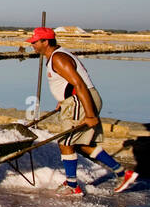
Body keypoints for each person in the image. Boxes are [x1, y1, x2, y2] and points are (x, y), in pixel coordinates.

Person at [27, 26, 137, 194]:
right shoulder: (56, 56)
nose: (32, 45)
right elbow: (69, 84)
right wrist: (63, 100)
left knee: (65, 142)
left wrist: (90, 114)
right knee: (82, 144)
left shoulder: (59, 58)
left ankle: (73, 187)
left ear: (46, 41)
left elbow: (79, 85)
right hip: (75, 100)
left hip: (80, 100)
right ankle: (123, 173)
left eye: (35, 42)